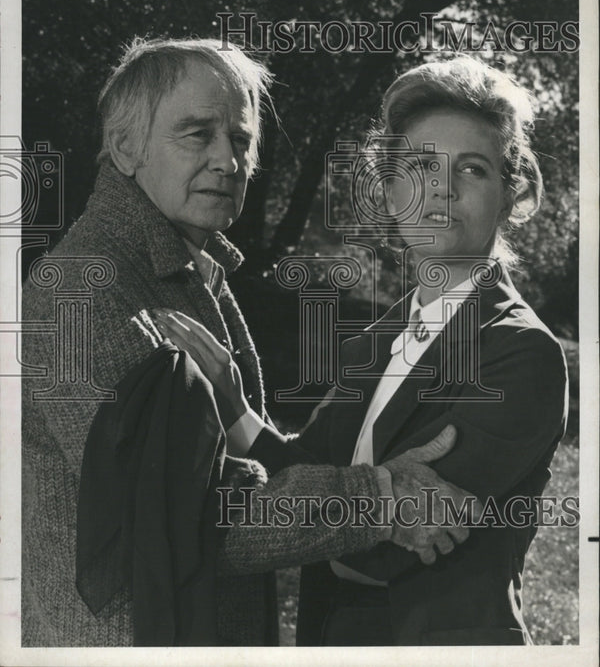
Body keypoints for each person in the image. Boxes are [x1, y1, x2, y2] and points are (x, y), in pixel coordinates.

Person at [21, 38, 478, 647]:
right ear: (126, 147)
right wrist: (380, 501)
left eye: (239, 140)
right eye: (196, 134)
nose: (227, 161)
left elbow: (236, 466)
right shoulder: (85, 289)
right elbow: (188, 514)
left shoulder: (190, 268)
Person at [159, 56, 569, 646]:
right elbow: (298, 471)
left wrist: (353, 503)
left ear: (511, 193)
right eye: (422, 167)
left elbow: (380, 551)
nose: (443, 190)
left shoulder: (521, 352)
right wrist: (230, 401)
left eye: (473, 170)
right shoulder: (380, 338)